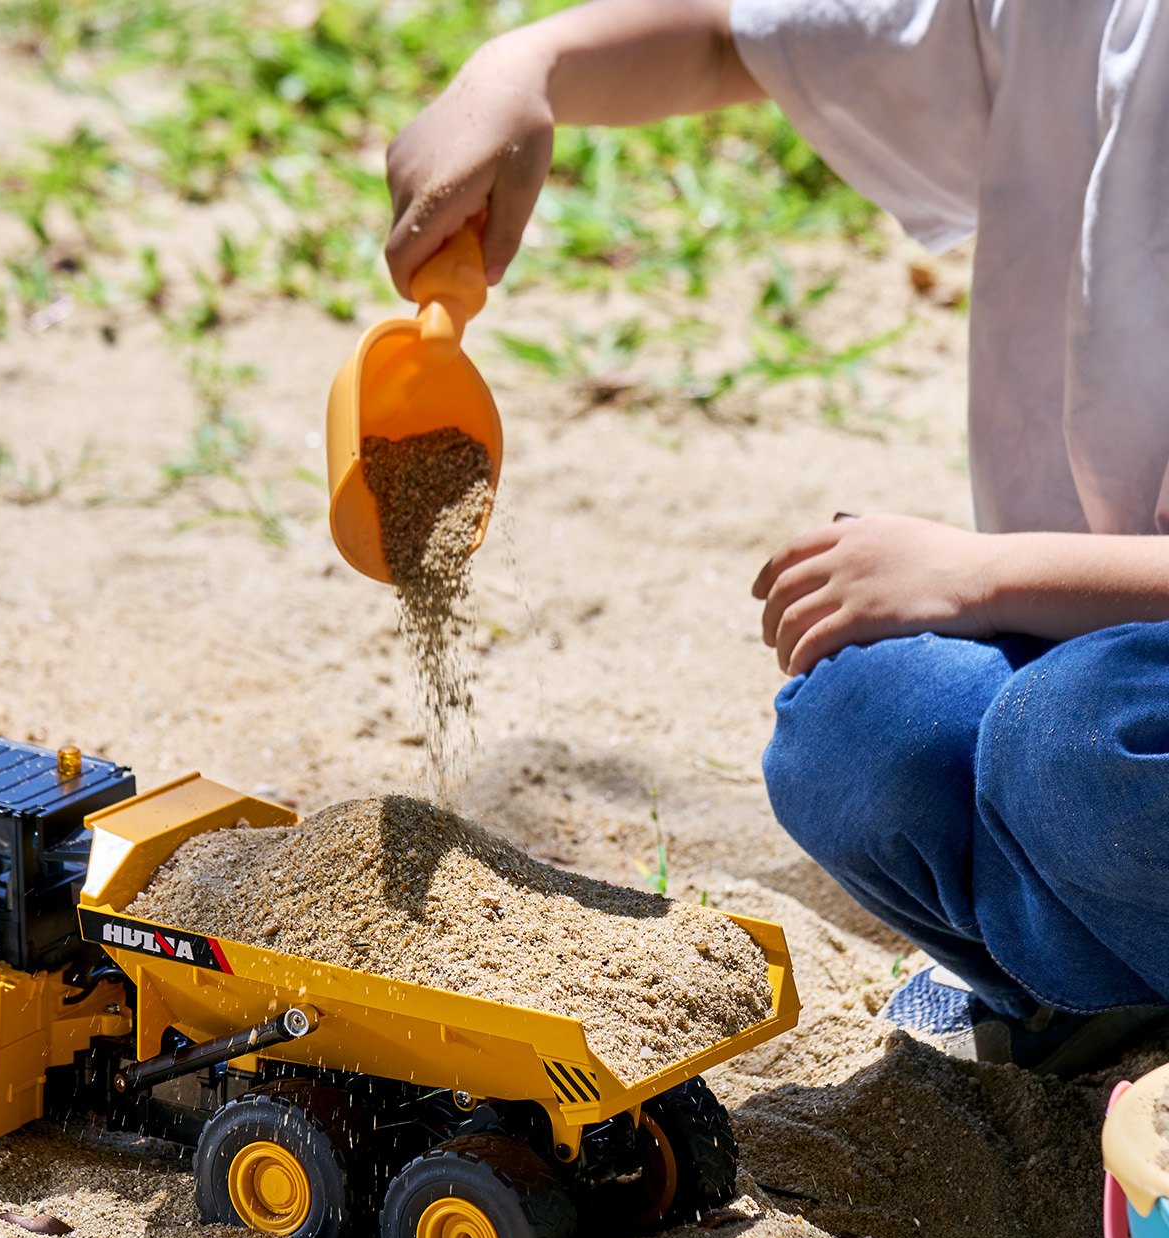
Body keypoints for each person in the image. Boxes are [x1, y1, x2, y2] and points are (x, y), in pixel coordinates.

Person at [384, 0, 1169, 1075]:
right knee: (858, 726)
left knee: (1075, 740)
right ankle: (1091, 985)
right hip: (1090, 635)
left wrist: (979, 572)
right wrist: (528, 64)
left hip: (1103, 697)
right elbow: (734, 38)